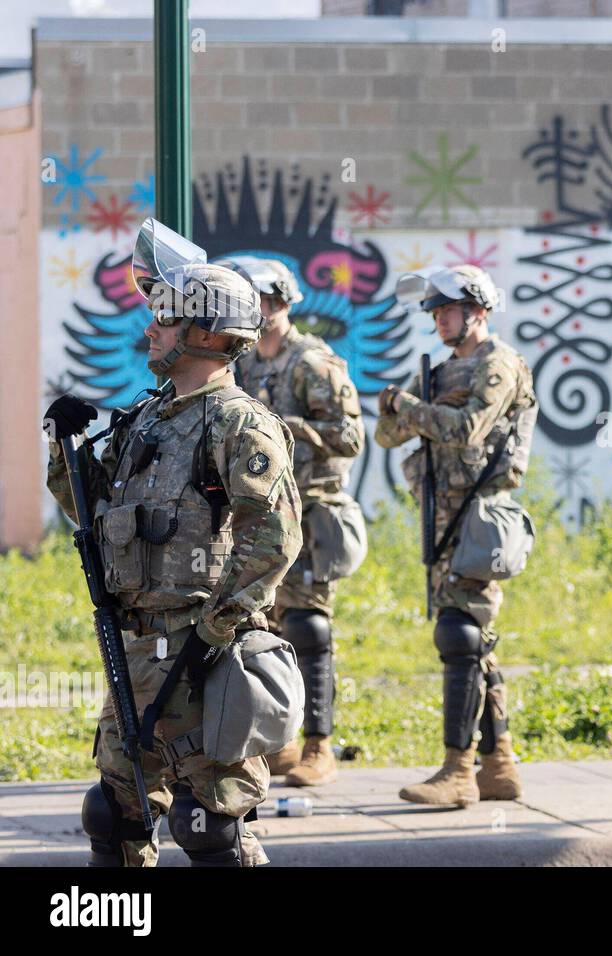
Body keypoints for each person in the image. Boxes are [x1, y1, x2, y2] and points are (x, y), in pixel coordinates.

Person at [43, 218, 302, 866]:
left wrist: (216, 633)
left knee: (209, 824)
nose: (150, 327)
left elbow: (273, 538)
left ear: (208, 334)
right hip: (134, 646)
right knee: (113, 816)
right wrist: (65, 445)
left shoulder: (238, 421)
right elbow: (96, 511)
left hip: (201, 652)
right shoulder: (147, 415)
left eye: (165, 316)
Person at [374, 264, 537, 808]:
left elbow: (467, 429)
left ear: (478, 310)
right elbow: (386, 432)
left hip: (480, 513)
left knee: (460, 635)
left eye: (448, 310)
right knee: (474, 641)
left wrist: (409, 408)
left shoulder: (498, 364)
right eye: (436, 312)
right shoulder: (439, 372)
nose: (440, 320)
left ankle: (457, 771)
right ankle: (500, 765)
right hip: (442, 517)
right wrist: (412, 411)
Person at [224, 255, 365, 788]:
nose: (251, 310)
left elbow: (349, 437)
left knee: (308, 627)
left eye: (257, 300)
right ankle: (279, 740)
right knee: (266, 628)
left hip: (311, 510)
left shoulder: (312, 363)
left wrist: (285, 428)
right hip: (262, 515)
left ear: (280, 301)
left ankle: (319, 745)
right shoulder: (248, 362)